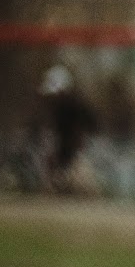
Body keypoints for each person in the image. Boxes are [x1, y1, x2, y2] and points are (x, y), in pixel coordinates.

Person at [38, 65, 99, 195]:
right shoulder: (59, 109)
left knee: (82, 186)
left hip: (79, 155)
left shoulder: (76, 108)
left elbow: (85, 134)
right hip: (66, 154)